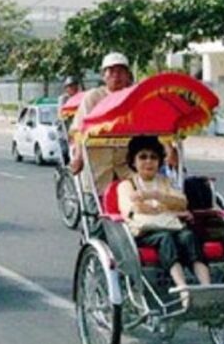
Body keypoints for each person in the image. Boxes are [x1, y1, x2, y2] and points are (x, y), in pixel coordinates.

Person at [117, 135, 211, 306]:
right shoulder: (127, 184)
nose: (148, 162)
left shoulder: (165, 182)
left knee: (189, 236)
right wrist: (165, 207)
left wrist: (155, 197)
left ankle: (207, 287)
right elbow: (132, 209)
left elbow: (182, 202)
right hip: (144, 231)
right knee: (165, 239)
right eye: (143, 157)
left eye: (153, 157)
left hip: (171, 226)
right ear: (133, 161)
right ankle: (182, 287)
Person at [69, 52, 133, 183]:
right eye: (111, 71)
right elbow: (79, 130)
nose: (116, 76)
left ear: (127, 76)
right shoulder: (93, 97)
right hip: (97, 166)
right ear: (104, 76)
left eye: (121, 71)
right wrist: (78, 157)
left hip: (126, 165)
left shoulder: (134, 97)